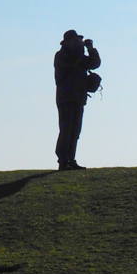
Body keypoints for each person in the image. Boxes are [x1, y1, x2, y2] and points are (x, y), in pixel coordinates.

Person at [54, 29, 101, 171]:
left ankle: (71, 159)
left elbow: (94, 63)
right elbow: (73, 61)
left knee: (75, 131)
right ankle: (63, 160)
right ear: (67, 42)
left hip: (78, 98)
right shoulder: (61, 56)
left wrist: (91, 49)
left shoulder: (79, 56)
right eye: (74, 41)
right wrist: (81, 50)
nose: (77, 43)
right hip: (66, 98)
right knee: (66, 129)